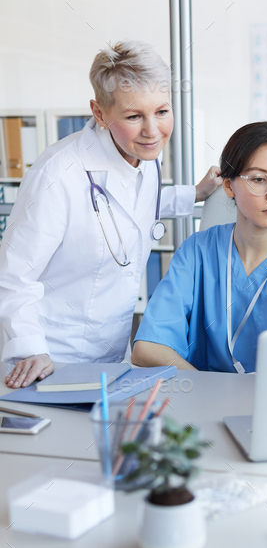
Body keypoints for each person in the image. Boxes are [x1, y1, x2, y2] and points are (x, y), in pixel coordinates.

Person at [0, 40, 221, 388]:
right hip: (50, 360)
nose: (152, 130)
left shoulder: (141, 155)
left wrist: (193, 194)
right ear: (100, 113)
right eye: (134, 116)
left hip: (113, 358)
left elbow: (131, 202)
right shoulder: (58, 175)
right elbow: (12, 276)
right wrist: (30, 348)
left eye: (162, 112)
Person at [132, 121, 267, 373]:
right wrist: (211, 392)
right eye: (259, 179)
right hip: (201, 405)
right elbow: (147, 348)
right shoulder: (196, 252)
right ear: (229, 186)